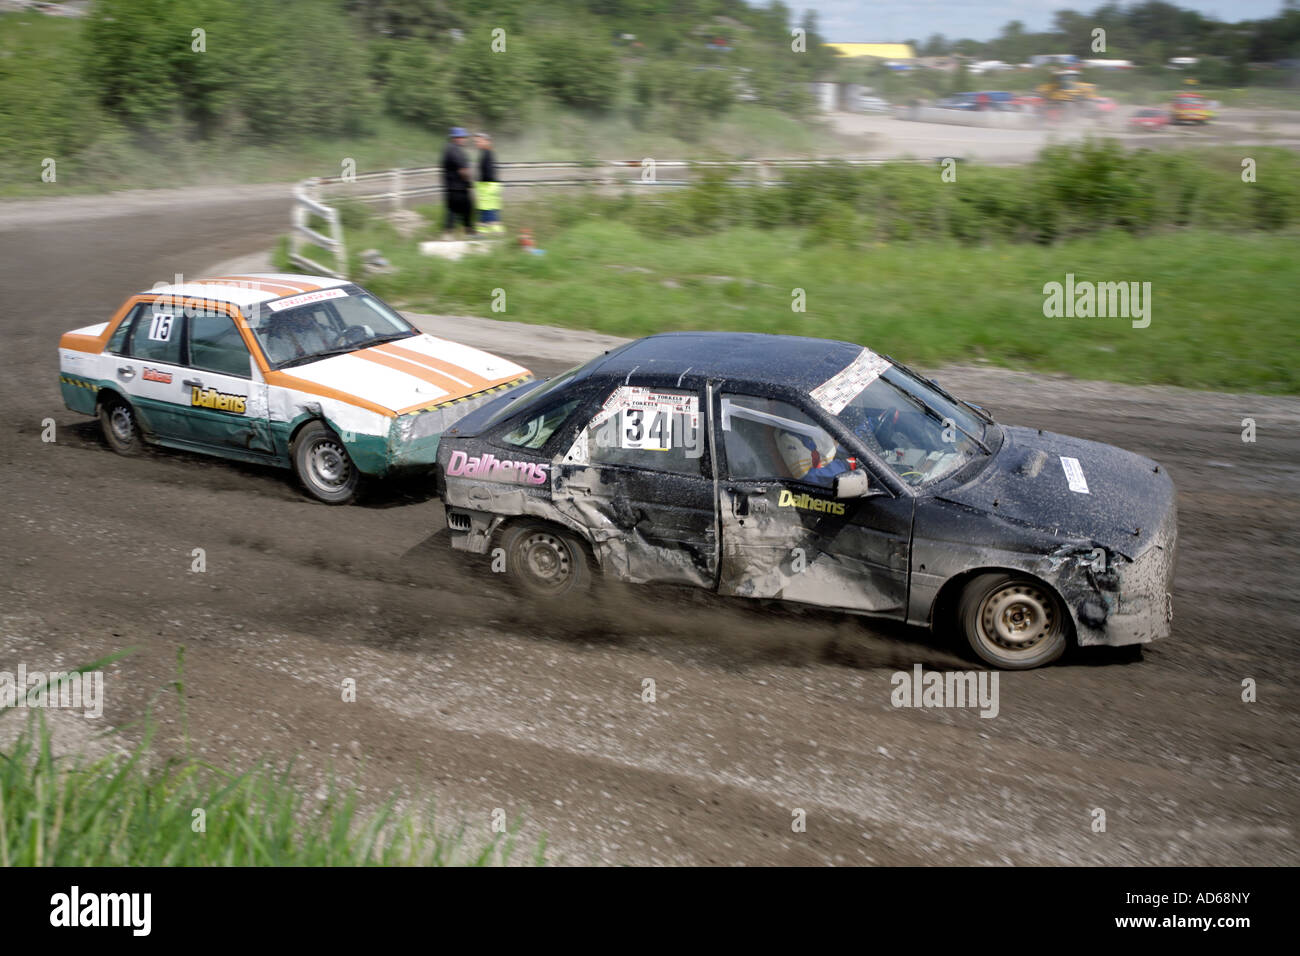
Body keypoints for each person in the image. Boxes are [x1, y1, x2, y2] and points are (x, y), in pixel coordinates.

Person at [441, 127, 475, 239]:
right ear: (455, 138)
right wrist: (469, 183)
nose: (464, 139)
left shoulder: (449, 149)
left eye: (464, 137)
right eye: (462, 137)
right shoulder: (455, 150)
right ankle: (468, 232)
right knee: (465, 209)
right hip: (458, 188)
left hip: (452, 187)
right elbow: (463, 170)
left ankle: (449, 233)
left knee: (454, 210)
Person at [473, 131, 504, 234]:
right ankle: (484, 231)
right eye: (476, 141)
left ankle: (495, 231)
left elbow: (489, 172)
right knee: (486, 208)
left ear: (487, 141)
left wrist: (481, 183)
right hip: (488, 185)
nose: (477, 143)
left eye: (479, 141)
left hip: (488, 185)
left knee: (489, 208)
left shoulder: (487, 153)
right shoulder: (486, 152)